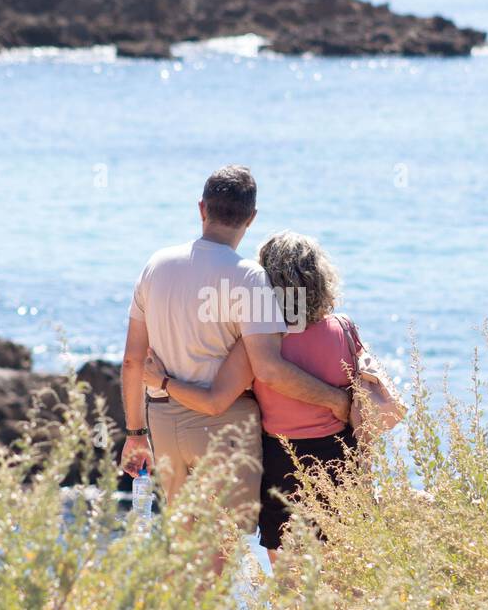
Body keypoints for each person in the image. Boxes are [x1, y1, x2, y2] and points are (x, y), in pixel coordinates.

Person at [120, 168, 350, 539]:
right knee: (218, 553)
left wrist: (134, 434)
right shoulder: (248, 276)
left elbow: (132, 360)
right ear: (251, 217)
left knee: (185, 548)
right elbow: (269, 369)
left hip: (162, 421)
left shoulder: (156, 264)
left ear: (202, 209)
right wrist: (336, 400)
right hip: (221, 425)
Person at [143, 230, 359, 561]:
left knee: (288, 582)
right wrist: (337, 402)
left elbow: (217, 400)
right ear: (320, 278)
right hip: (340, 456)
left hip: (281, 459)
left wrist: (164, 381)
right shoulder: (343, 329)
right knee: (341, 574)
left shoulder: (259, 343)